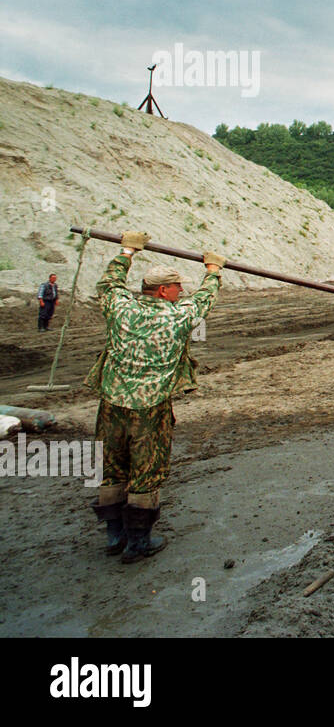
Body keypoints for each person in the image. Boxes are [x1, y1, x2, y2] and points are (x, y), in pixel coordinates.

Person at [85, 230, 223, 563]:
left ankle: (113, 535)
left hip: (112, 404)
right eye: (178, 288)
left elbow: (109, 284)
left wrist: (128, 252)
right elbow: (204, 299)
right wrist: (213, 272)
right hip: (149, 409)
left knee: (112, 467)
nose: (181, 293)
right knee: (147, 473)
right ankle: (137, 542)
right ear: (163, 290)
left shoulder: (122, 309)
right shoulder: (177, 315)